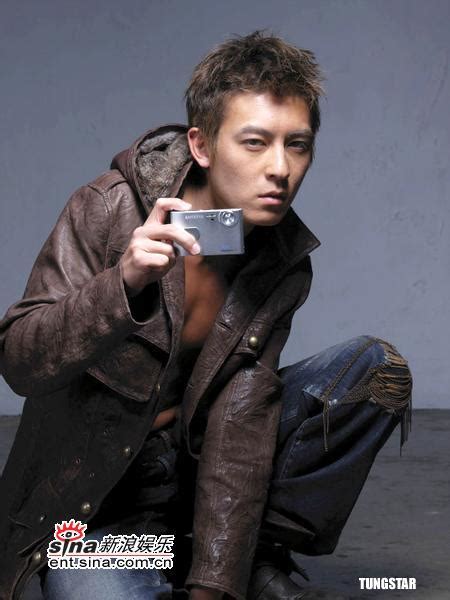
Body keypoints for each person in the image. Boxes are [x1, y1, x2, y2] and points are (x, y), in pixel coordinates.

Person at [0, 30, 412, 600]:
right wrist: (122, 284)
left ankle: (248, 549)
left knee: (372, 369)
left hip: (193, 482)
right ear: (201, 145)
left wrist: (214, 586)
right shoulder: (108, 208)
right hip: (100, 507)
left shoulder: (280, 259)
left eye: (297, 145)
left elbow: (244, 416)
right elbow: (19, 361)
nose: (280, 168)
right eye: (255, 142)